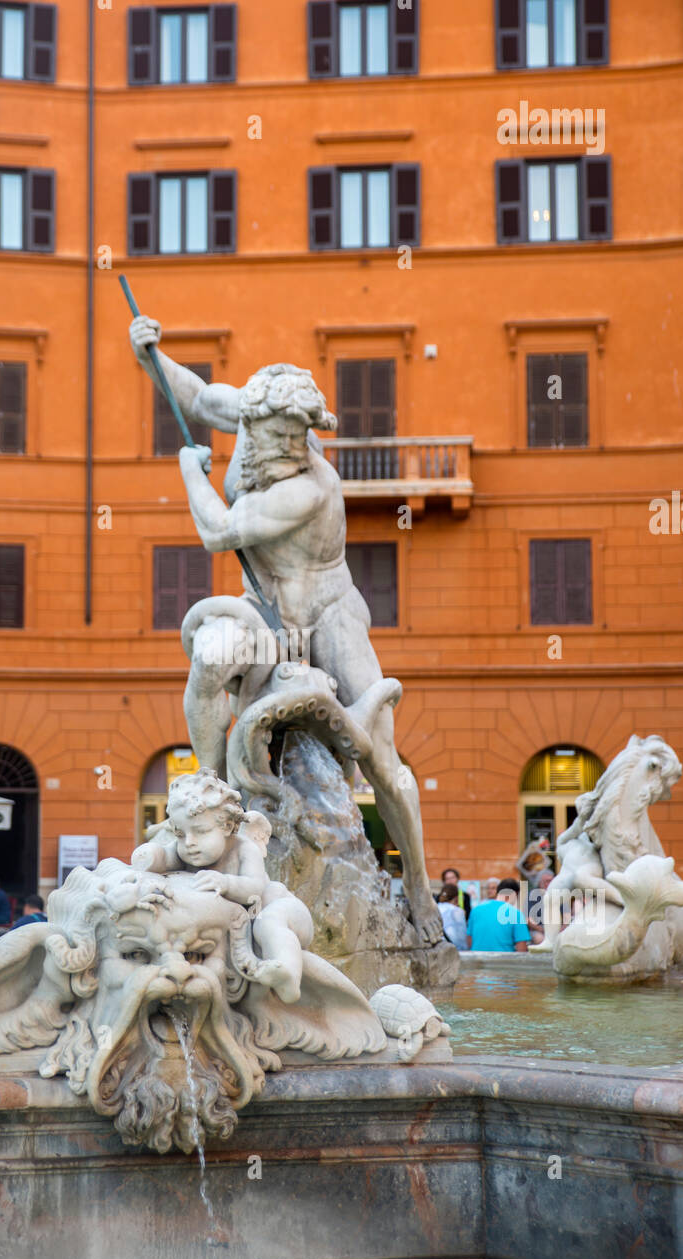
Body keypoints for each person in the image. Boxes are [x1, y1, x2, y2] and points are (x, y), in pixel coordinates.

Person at [128, 316, 443, 946]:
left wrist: (191, 471)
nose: (295, 447)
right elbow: (193, 396)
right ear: (254, 423)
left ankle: (418, 886)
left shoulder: (310, 486)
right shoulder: (245, 413)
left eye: (302, 437)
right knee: (209, 661)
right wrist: (150, 355)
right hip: (261, 611)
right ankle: (210, 792)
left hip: (328, 615)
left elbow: (219, 532)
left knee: (380, 752)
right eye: (283, 435)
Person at [131, 767, 313, 1003]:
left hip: (283, 910)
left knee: (267, 924)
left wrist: (226, 882)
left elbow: (255, 888)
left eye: (200, 831)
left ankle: (288, 974)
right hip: (237, 927)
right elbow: (164, 857)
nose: (189, 843)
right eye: (180, 833)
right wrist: (148, 856)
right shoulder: (186, 850)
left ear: (226, 826)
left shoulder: (243, 848)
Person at [467, 878, 531, 953]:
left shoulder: (476, 910)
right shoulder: (516, 914)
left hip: (477, 960)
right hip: (503, 962)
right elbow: (522, 949)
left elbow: (469, 940)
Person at [437, 882, 468, 951]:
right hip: (451, 950)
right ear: (456, 897)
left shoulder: (435, 908)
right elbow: (461, 936)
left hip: (437, 948)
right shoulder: (457, 911)